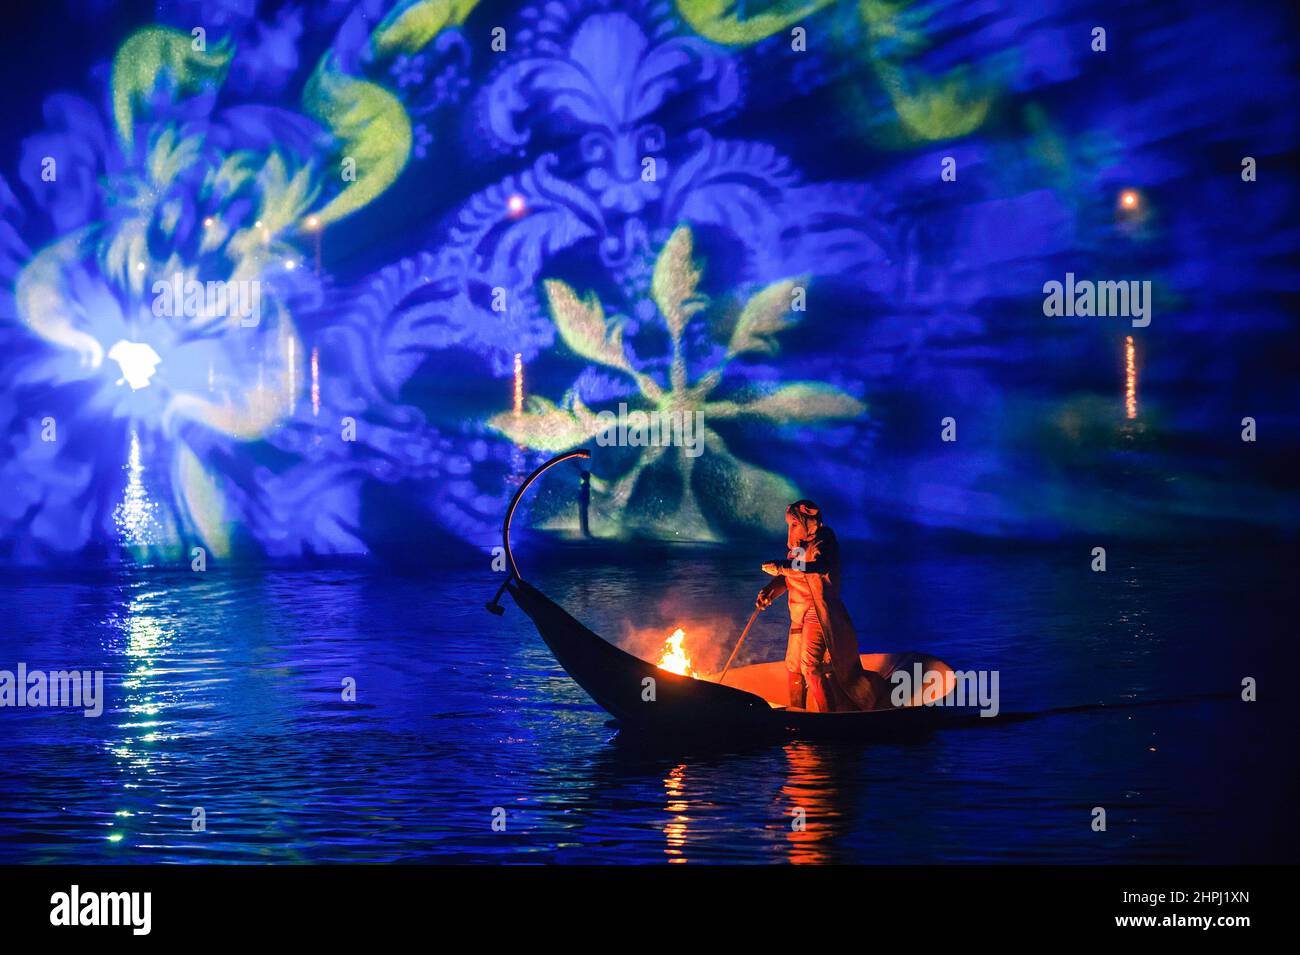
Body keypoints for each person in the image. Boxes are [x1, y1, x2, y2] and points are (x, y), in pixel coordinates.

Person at [755, 500, 887, 712]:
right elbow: (792, 575)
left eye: (795, 524)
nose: (791, 531)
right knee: (793, 665)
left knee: (810, 666)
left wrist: (781, 567)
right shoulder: (799, 548)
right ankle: (796, 711)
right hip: (798, 613)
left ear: (809, 522)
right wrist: (770, 590)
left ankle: (828, 715)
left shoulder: (824, 541)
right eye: (789, 525)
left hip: (817, 611)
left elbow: (818, 566)